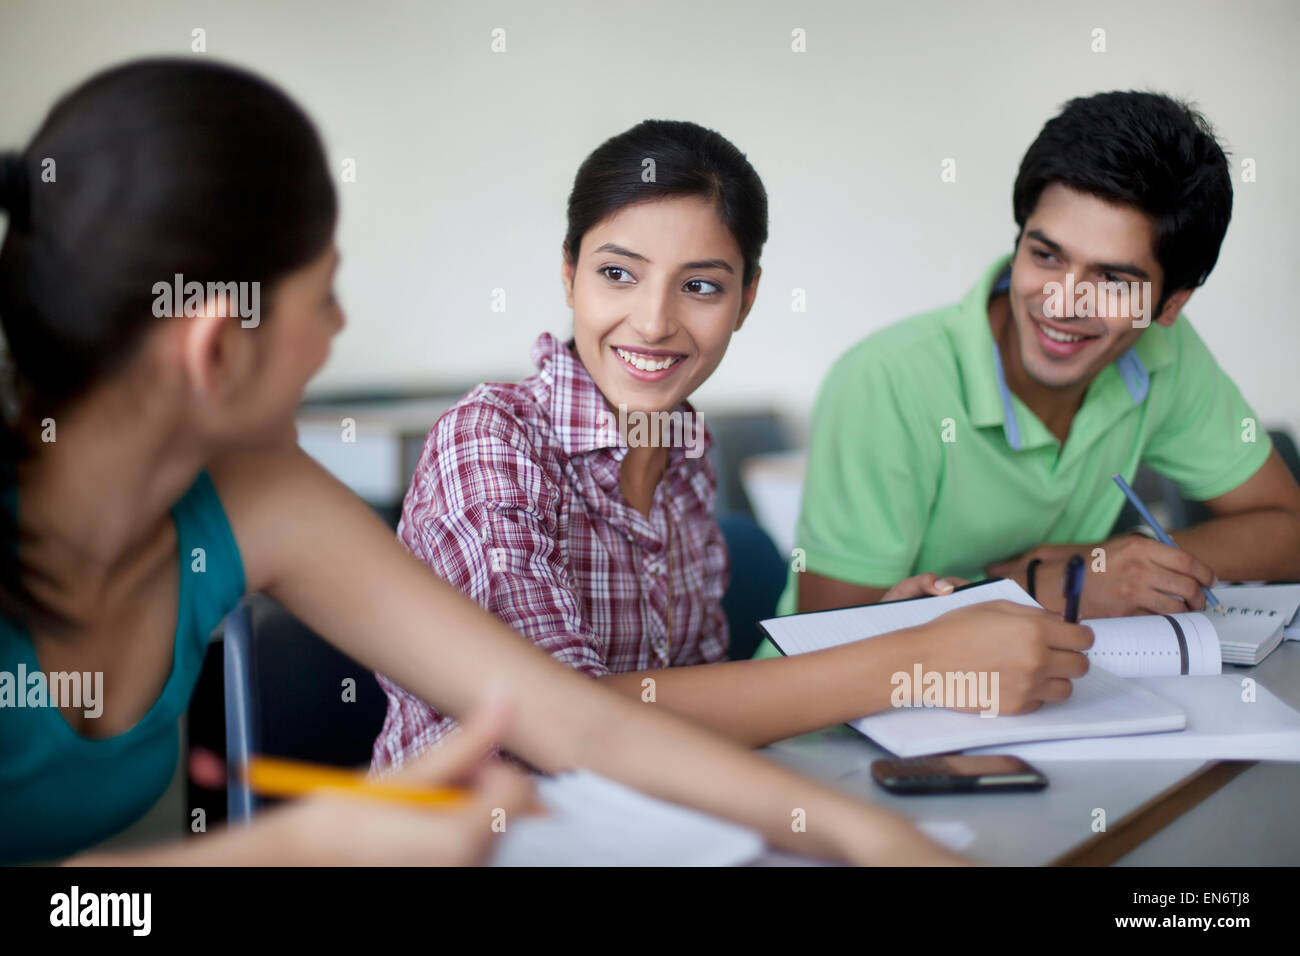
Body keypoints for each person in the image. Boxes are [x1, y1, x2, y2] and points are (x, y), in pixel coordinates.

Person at [0, 58, 962, 866]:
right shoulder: (484, 440)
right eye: (327, 299)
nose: (337, 340)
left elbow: (568, 722)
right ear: (217, 349)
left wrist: (865, 835)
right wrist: (319, 843)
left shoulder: (264, 500)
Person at [374, 120, 1091, 761]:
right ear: (569, 275)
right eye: (617, 274)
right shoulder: (490, 438)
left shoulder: (686, 455)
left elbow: (687, 707)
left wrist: (885, 633)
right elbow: (552, 727)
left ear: (747, 298)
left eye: (702, 287)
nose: (653, 323)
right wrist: (911, 660)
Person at [768, 90, 1300, 636]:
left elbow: (1289, 528)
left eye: (1113, 280)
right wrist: (1054, 588)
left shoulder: (1164, 351)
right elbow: (826, 642)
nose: (1063, 304)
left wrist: (1121, 561)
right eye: (1046, 255)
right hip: (852, 715)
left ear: (1170, 305)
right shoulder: (886, 381)